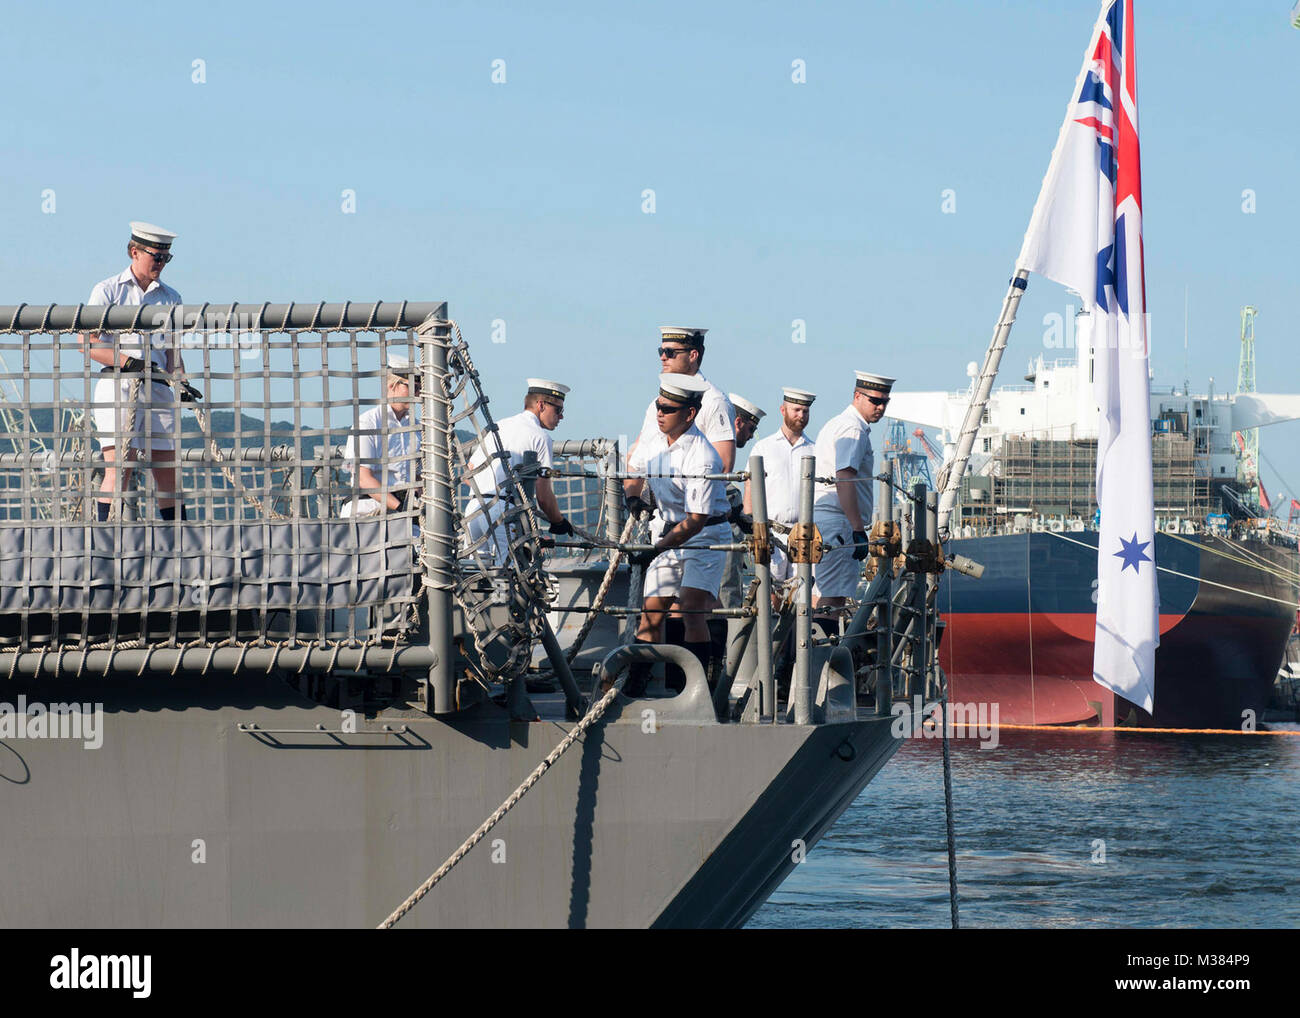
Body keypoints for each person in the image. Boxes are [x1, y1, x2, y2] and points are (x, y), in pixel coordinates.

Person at [621, 374, 731, 697]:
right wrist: (632, 497)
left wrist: (655, 549)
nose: (660, 413)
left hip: (704, 538)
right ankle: (634, 686)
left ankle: (696, 690)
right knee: (651, 613)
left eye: (668, 409)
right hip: (667, 532)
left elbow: (696, 520)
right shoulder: (654, 443)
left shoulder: (703, 456)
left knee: (691, 610)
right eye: (659, 405)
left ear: (689, 414)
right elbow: (634, 469)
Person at [80, 221, 192, 522]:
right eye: (156, 256)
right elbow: (86, 343)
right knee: (120, 469)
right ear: (134, 251)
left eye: (166, 258)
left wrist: (181, 383)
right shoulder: (107, 291)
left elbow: (172, 353)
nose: (161, 263)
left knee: (167, 472)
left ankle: (179, 545)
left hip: (157, 386)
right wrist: (128, 361)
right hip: (117, 384)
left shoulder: (171, 298)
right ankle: (104, 542)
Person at [810, 371, 894, 628]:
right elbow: (845, 477)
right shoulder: (853, 428)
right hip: (839, 522)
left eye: (884, 402)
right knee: (832, 600)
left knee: (819, 596)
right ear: (858, 396)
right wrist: (858, 529)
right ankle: (819, 665)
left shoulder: (838, 423)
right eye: (874, 401)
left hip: (827, 520)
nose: (880, 407)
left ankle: (799, 663)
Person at [463, 378, 573, 562]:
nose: (561, 416)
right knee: (509, 574)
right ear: (541, 405)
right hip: (503, 511)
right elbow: (544, 495)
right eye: (559, 410)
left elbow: (469, 473)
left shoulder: (499, 427)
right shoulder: (540, 437)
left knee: (475, 573)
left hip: (474, 509)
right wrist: (558, 521)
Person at [630, 327, 735, 471]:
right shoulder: (657, 402)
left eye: (670, 352)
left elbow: (722, 467)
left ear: (693, 355)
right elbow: (637, 455)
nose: (663, 357)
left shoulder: (715, 402)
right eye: (661, 351)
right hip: (650, 490)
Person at [743, 387, 817, 583]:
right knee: (769, 593)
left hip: (803, 536)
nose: (801, 415)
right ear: (783, 410)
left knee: (802, 596)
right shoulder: (763, 448)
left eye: (805, 411)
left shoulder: (814, 450)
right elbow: (750, 488)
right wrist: (752, 530)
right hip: (771, 533)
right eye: (796, 410)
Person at [341, 352, 421, 518]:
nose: (417, 392)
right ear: (392, 386)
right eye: (411, 386)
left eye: (419, 388)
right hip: (366, 512)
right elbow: (363, 479)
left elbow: (417, 476)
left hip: (406, 513)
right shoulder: (367, 424)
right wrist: (401, 508)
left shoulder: (417, 429)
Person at [717, 392, 765, 610]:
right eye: (750, 430)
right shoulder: (719, 451)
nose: (749, 436)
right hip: (716, 533)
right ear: (738, 422)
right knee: (726, 595)